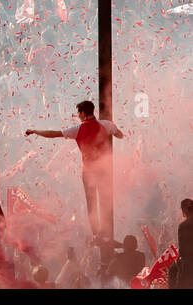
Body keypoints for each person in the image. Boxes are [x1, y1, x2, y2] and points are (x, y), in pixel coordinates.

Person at [26, 100, 124, 243]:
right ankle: (108, 235)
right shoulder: (106, 125)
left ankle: (97, 236)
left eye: (78, 112)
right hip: (104, 171)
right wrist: (111, 133)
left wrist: (35, 131)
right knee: (105, 202)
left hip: (89, 172)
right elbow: (120, 135)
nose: (77, 115)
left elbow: (53, 134)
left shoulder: (77, 129)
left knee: (92, 203)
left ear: (83, 113)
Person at [173, 199, 193, 289]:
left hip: (189, 265)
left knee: (173, 271)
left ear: (184, 210)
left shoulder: (184, 226)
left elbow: (183, 249)